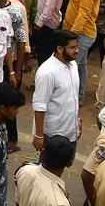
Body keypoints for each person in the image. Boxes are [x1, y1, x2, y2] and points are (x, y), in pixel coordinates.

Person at [32, 29, 81, 157]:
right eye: (72, 48)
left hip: (70, 132)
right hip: (52, 136)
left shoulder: (73, 65)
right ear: (59, 48)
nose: (77, 51)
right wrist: (39, 135)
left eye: (77, 47)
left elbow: (73, 97)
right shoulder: (47, 72)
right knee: (48, 172)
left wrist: (77, 121)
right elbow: (39, 105)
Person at [62, 0, 100, 99]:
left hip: (82, 34)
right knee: (81, 65)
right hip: (80, 32)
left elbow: (83, 14)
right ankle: (80, 95)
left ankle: (69, 98)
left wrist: (72, 35)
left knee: (71, 66)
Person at [15, 134, 75, 206]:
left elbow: (18, 201)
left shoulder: (24, 170)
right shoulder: (59, 202)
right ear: (69, 164)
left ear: (42, 153)